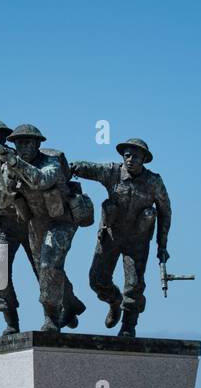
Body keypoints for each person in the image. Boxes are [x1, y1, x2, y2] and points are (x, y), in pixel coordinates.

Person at [0, 124, 87, 331]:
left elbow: (42, 180)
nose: (24, 147)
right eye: (19, 143)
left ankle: (51, 318)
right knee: (11, 271)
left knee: (47, 266)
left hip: (61, 221)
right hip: (34, 223)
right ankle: (68, 304)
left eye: (28, 142)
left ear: (38, 144)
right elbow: (0, 202)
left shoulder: (51, 161)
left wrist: (15, 164)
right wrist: (8, 181)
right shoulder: (6, 167)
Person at [71, 138, 172, 337]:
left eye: (136, 156)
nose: (130, 159)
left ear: (144, 159)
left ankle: (128, 325)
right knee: (97, 280)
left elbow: (165, 211)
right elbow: (88, 169)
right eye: (127, 155)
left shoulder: (154, 182)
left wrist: (162, 245)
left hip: (138, 240)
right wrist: (69, 167)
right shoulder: (112, 172)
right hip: (111, 235)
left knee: (134, 285)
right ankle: (114, 302)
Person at [0, 119, 39, 335]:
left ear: (3, 138)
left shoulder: (17, 159)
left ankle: (62, 309)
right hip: (2, 226)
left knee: (45, 272)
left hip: (29, 223)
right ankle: (11, 321)